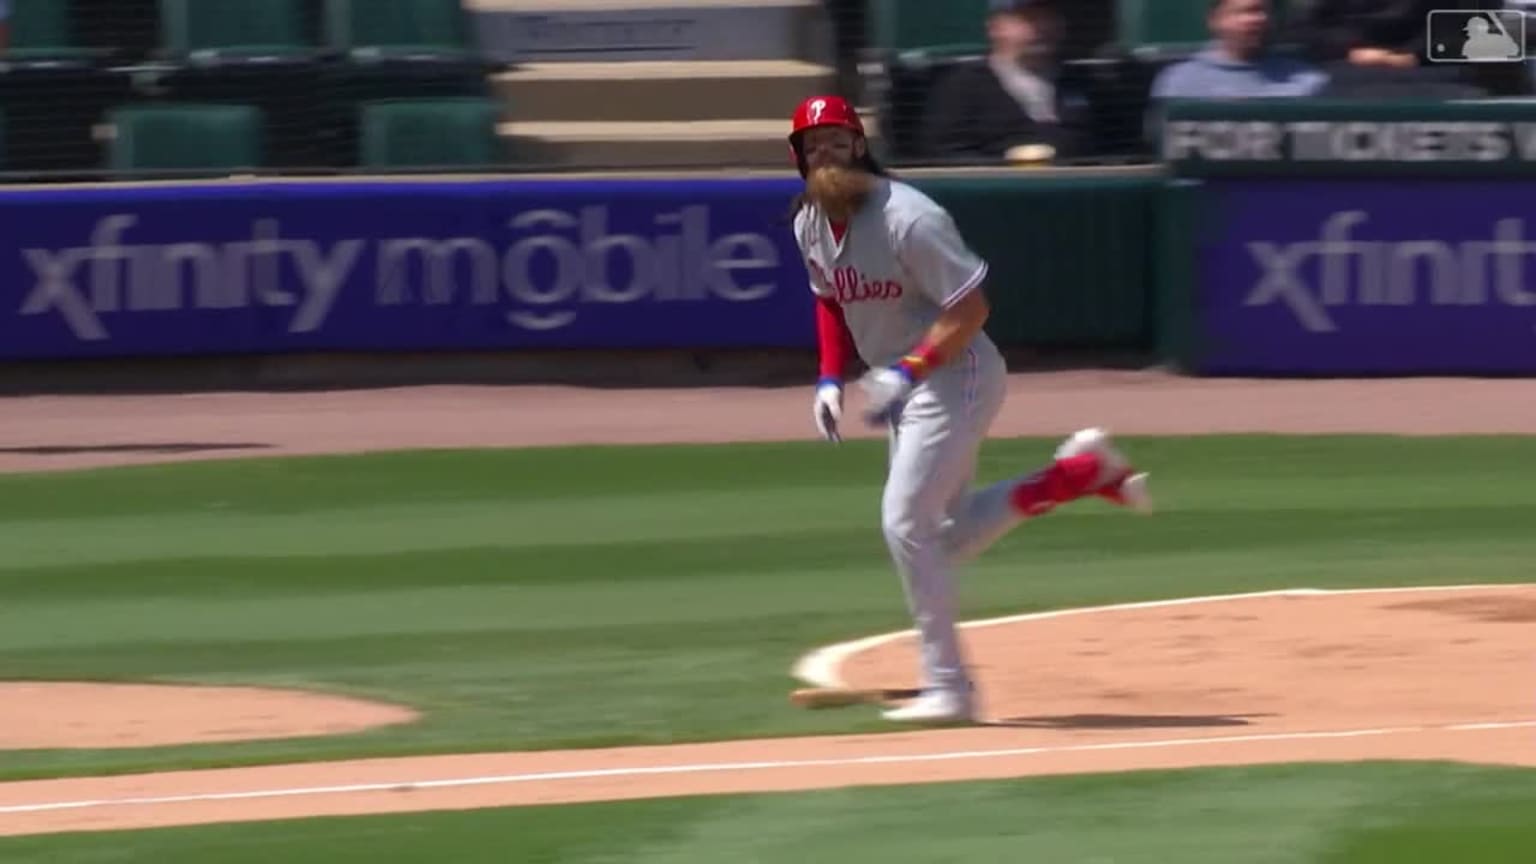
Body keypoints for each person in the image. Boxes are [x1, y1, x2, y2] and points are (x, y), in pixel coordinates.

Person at [786, 95, 1153, 726]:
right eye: (812, 144)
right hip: (907, 384)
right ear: (798, 157)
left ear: (859, 144)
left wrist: (907, 372)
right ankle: (1075, 474)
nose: (826, 154)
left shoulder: (908, 216)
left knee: (904, 522)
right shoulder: (808, 223)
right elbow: (827, 296)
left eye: (837, 140)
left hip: (958, 373)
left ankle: (950, 687)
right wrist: (827, 379)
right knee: (940, 536)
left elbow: (970, 309)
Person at [918, 0, 1092, 163]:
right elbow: (944, 153)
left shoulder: (1085, 82)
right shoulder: (962, 86)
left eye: (1048, 18)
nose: (1041, 28)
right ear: (995, 28)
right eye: (1028, 19)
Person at [1145, 0, 1328, 143]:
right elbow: (1163, 146)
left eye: (1264, 11)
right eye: (1247, 11)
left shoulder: (1308, 82)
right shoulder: (1178, 83)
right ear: (1215, 20)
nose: (1259, 19)